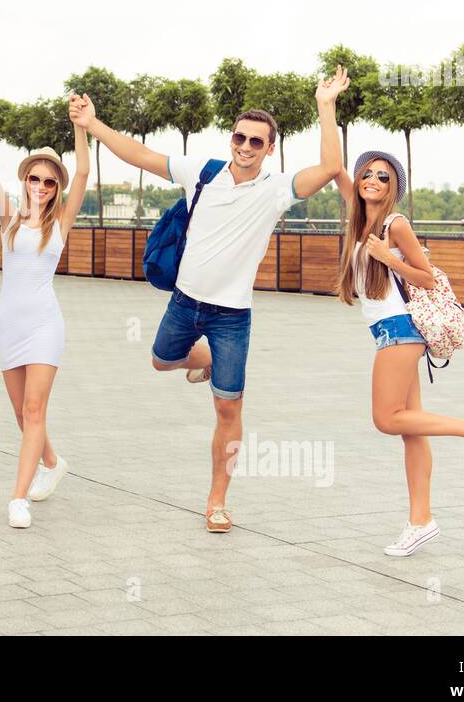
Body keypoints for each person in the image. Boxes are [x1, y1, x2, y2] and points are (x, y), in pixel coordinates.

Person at [68, 67, 349, 534]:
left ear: (270, 149)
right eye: (240, 137)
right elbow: (140, 155)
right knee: (161, 361)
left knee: (228, 410)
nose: (245, 146)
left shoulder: (275, 190)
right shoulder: (202, 173)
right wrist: (93, 124)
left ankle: (217, 500)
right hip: (185, 301)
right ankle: (209, 363)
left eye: (256, 142)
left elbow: (329, 168)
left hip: (231, 317)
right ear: (231, 138)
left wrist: (326, 106)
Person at [335, 151, 464, 556]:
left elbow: (427, 278)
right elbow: (334, 163)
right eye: (366, 173)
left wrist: (388, 259)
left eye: (382, 177)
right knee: (410, 428)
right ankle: (421, 521)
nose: (372, 179)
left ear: (393, 188)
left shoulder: (395, 225)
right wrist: (326, 103)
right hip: (387, 330)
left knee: (386, 418)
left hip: (400, 328)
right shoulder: (359, 219)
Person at [0, 104, 89, 528]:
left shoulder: (60, 224)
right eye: (35, 177)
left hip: (44, 325)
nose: (41, 185)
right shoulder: (9, 217)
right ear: (25, 179)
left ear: (56, 188)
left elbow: (84, 174)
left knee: (35, 411)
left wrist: (80, 127)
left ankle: (18, 498)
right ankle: (52, 461)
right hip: (7, 324)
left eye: (50, 181)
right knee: (21, 414)